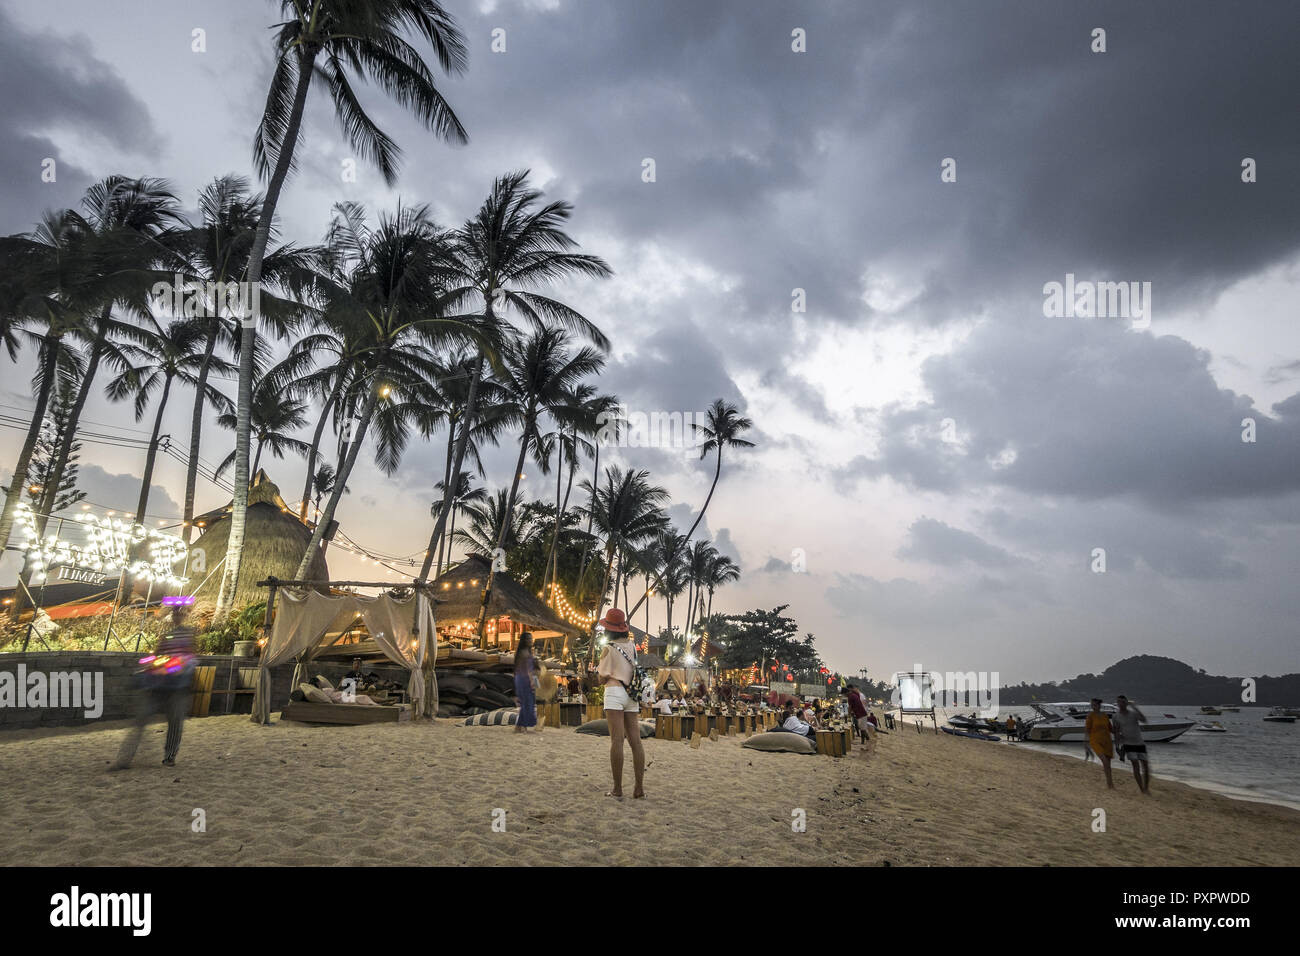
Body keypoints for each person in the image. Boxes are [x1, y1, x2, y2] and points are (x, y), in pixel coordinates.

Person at [112, 606, 196, 769]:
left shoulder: (189, 634)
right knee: (142, 719)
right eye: (175, 613)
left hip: (178, 685)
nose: (177, 616)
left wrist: (172, 666)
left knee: (175, 721)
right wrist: (154, 665)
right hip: (160, 683)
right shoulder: (166, 635)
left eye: (180, 613)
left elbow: (190, 657)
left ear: (184, 615)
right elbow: (158, 655)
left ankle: (169, 757)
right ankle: (125, 758)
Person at [594, 608, 645, 799]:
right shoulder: (632, 646)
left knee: (617, 740)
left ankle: (617, 789)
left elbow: (602, 677)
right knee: (636, 742)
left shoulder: (608, 647)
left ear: (608, 628)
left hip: (614, 692)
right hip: (631, 694)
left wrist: (598, 675)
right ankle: (639, 789)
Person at [1112, 695, 1151, 794]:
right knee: (1135, 765)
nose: (1121, 704)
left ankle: (1146, 788)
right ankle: (1142, 789)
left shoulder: (1133, 714)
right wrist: (1117, 746)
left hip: (1139, 743)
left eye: (1123, 702)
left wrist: (1135, 707)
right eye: (1119, 702)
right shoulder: (1116, 716)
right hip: (1128, 744)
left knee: (1146, 767)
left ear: (1126, 703)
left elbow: (1144, 720)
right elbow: (1116, 732)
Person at [1084, 698, 1115, 789]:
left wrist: (1120, 734)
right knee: (1104, 761)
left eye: (1095, 705)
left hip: (1107, 741)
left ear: (1099, 705)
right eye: (1092, 705)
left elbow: (1110, 728)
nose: (1093, 706)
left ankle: (1110, 783)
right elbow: (1087, 730)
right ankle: (1110, 784)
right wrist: (1086, 742)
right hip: (1095, 741)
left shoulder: (1105, 715)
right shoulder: (1091, 716)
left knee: (1108, 764)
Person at [513, 632, 540, 733]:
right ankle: (522, 725)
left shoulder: (526, 652)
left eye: (531, 638)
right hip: (524, 679)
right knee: (527, 703)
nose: (530, 640)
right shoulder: (523, 653)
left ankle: (519, 726)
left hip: (523, 679)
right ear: (524, 640)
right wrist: (533, 683)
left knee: (528, 702)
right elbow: (528, 670)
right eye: (528, 639)